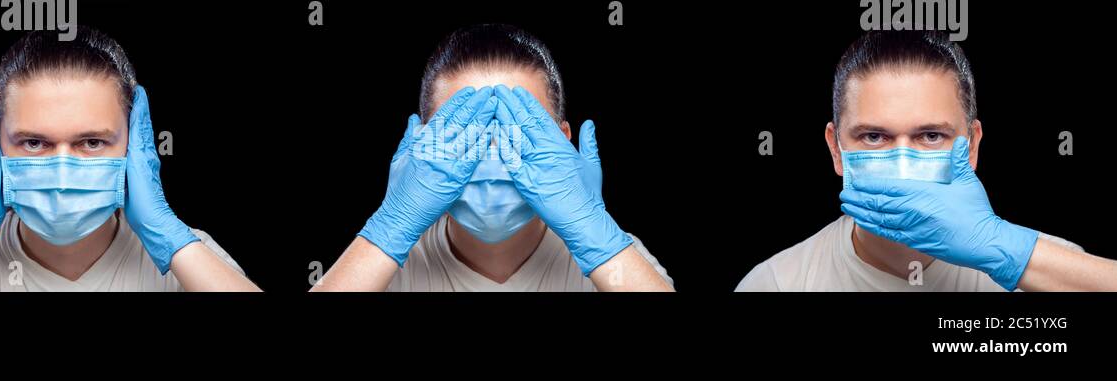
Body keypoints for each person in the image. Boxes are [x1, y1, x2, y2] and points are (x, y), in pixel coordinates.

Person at [0, 28, 258, 292]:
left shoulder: (190, 259)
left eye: (92, 142)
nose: (62, 171)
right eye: (33, 143)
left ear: (135, 148)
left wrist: (169, 237)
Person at [313, 24, 673, 291]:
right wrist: (390, 227)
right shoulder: (383, 268)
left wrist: (592, 231)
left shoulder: (617, 261)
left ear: (563, 143)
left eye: (517, 130)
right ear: (421, 145)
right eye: (467, 133)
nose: (492, 156)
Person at [737, 31, 1099, 292]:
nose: (903, 166)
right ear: (836, 150)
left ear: (971, 147)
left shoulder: (1055, 274)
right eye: (874, 137)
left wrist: (1002, 251)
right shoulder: (777, 284)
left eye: (930, 136)